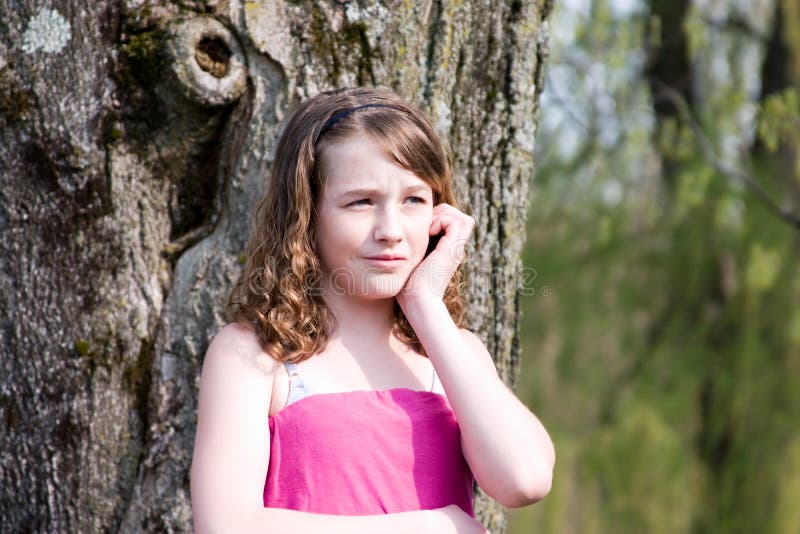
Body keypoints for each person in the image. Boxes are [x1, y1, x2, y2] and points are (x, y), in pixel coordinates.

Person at [190, 87, 555, 533]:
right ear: (307, 214)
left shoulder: (452, 353)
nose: (390, 230)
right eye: (361, 202)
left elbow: (526, 480)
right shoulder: (256, 358)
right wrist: (429, 529)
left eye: (414, 201)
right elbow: (226, 527)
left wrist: (425, 307)